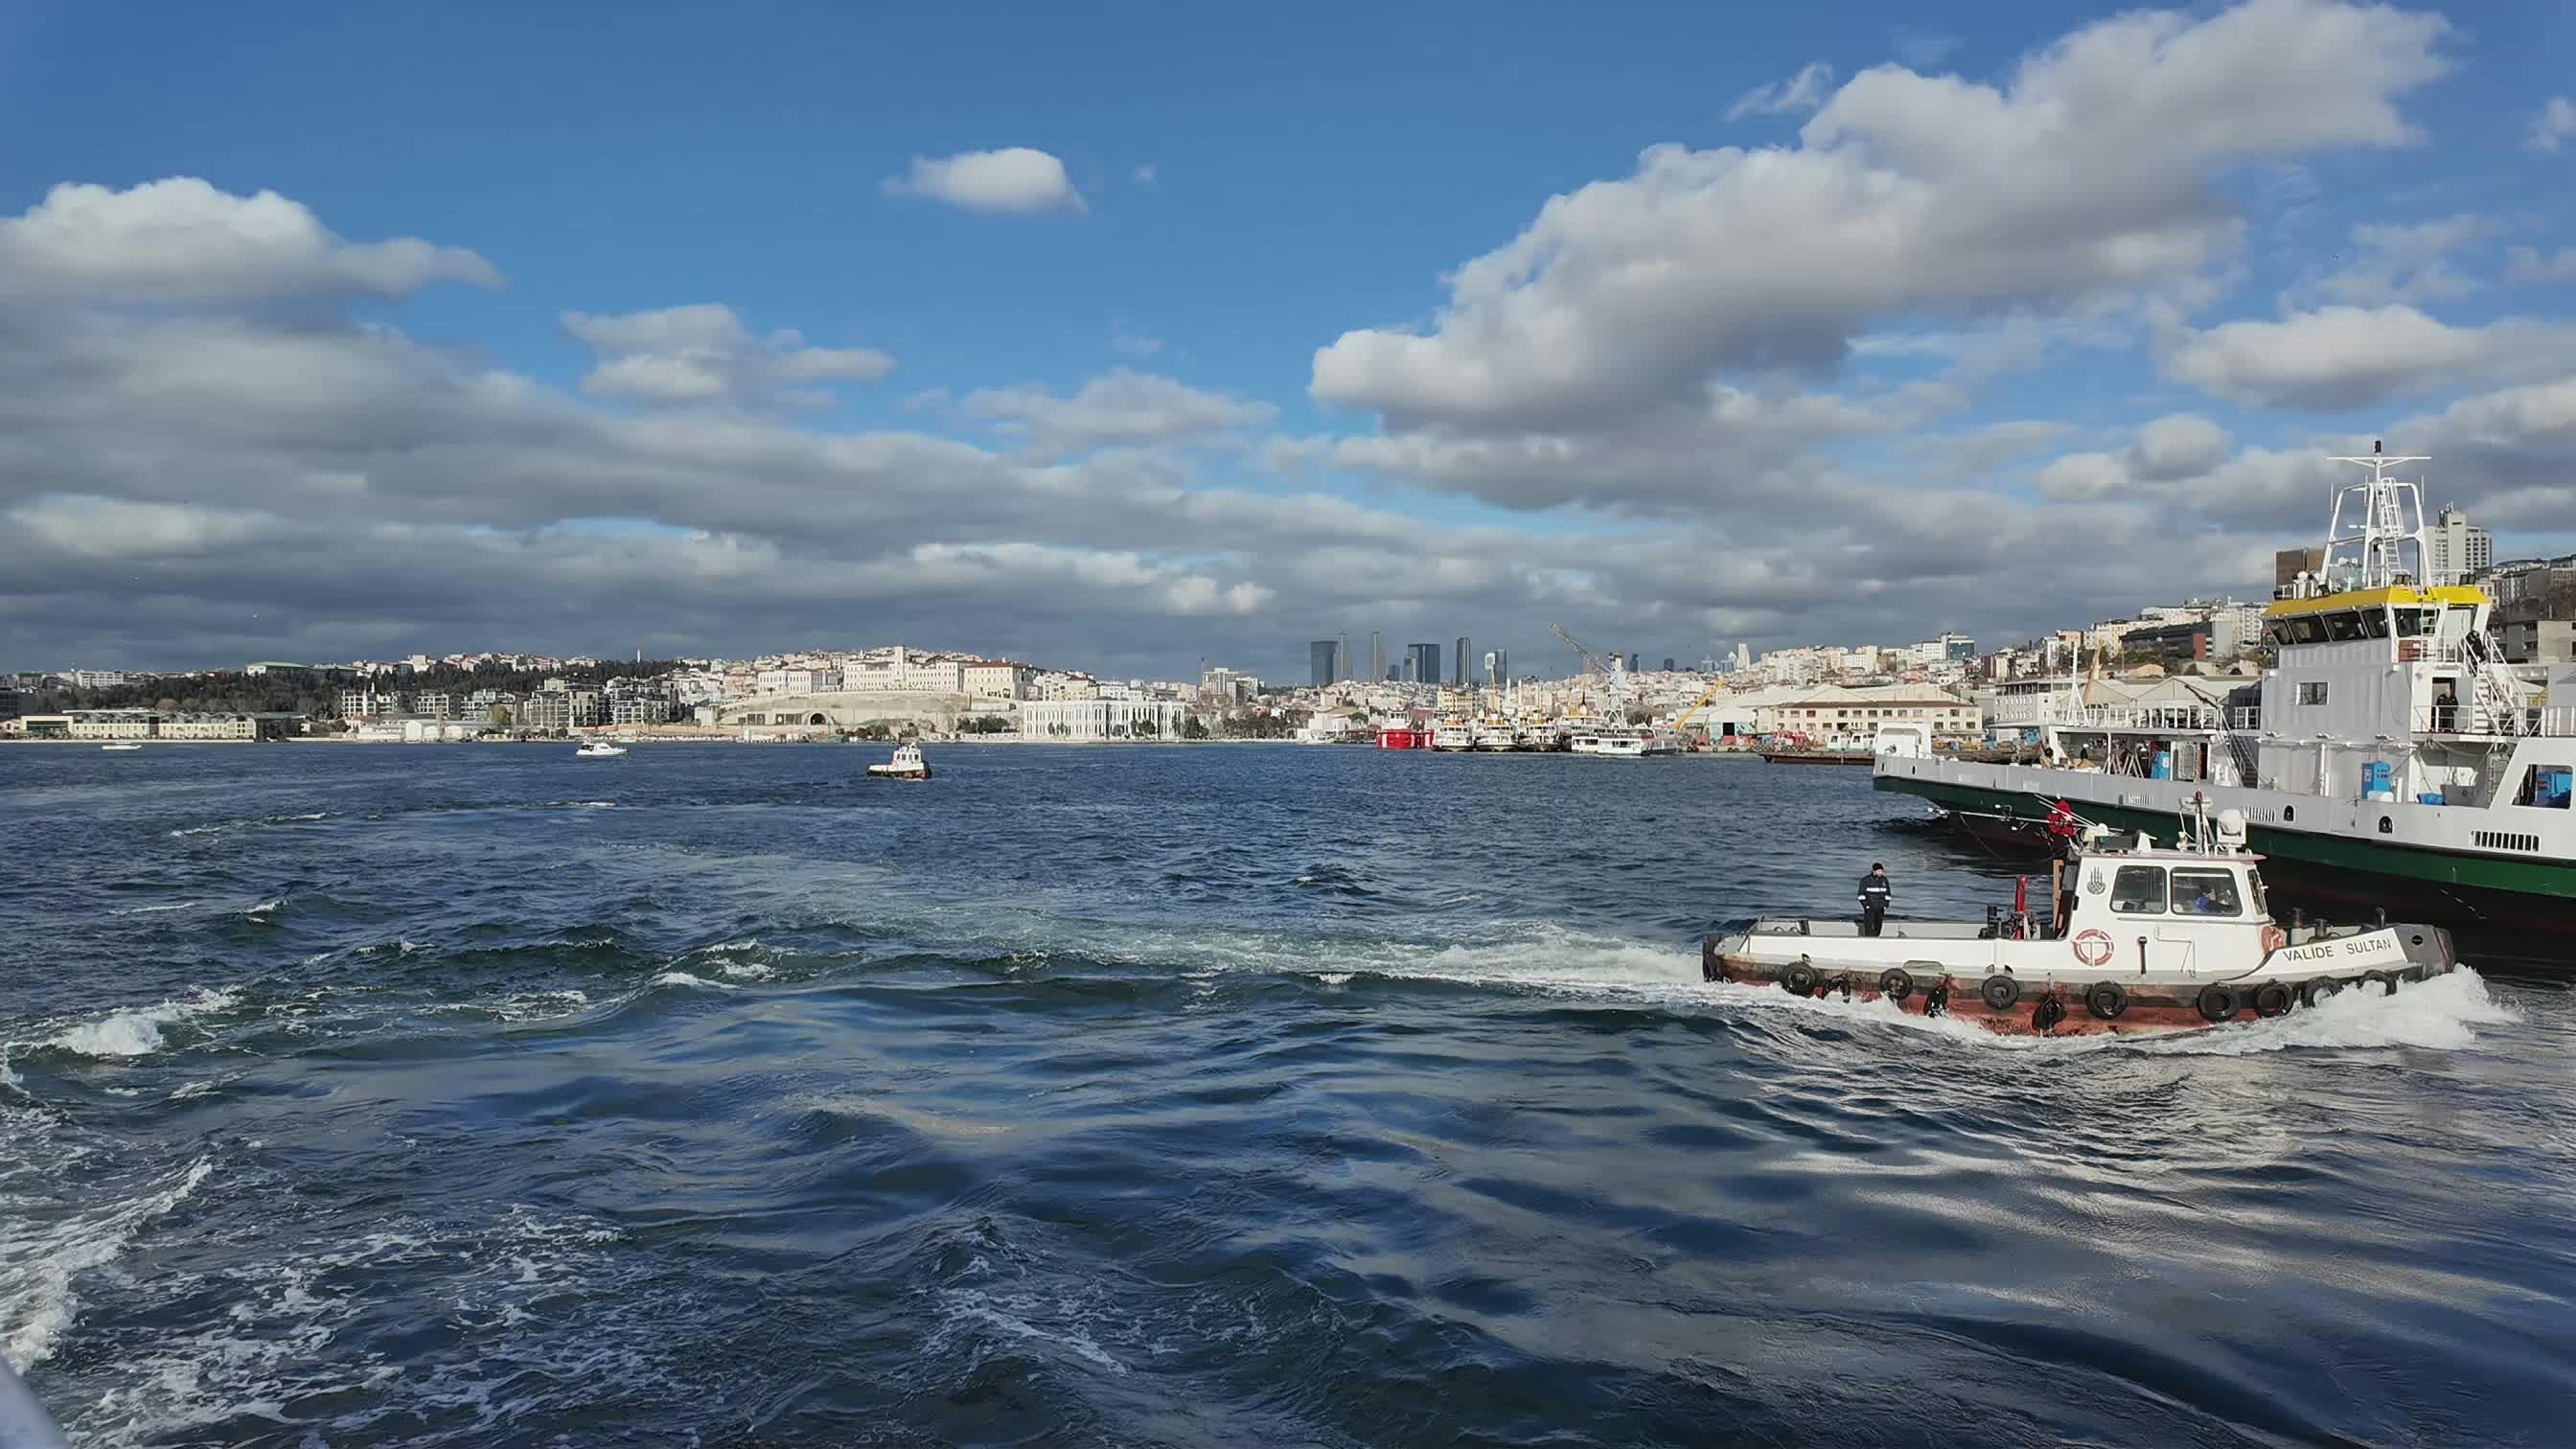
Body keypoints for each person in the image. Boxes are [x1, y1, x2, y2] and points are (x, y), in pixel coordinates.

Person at [1857, 862, 1892, 936]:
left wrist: (1885, 905)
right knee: (1869, 928)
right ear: (1874, 871)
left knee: (1878, 927)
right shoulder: (1866, 880)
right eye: (1879, 871)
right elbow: (1861, 895)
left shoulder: (1884, 880)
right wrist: (1866, 906)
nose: (1880, 873)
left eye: (1881, 871)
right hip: (1870, 908)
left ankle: (1876, 941)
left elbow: (1888, 894)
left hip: (1880, 908)